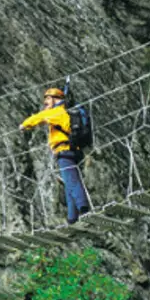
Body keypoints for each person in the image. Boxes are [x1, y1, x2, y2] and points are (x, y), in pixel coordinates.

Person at [20, 87, 91, 224]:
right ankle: (72, 217)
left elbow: (39, 117)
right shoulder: (63, 112)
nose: (45, 102)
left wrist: (24, 125)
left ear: (54, 99)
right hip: (71, 150)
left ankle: (84, 209)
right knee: (69, 182)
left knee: (72, 181)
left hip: (64, 150)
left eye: (47, 99)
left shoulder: (57, 112)